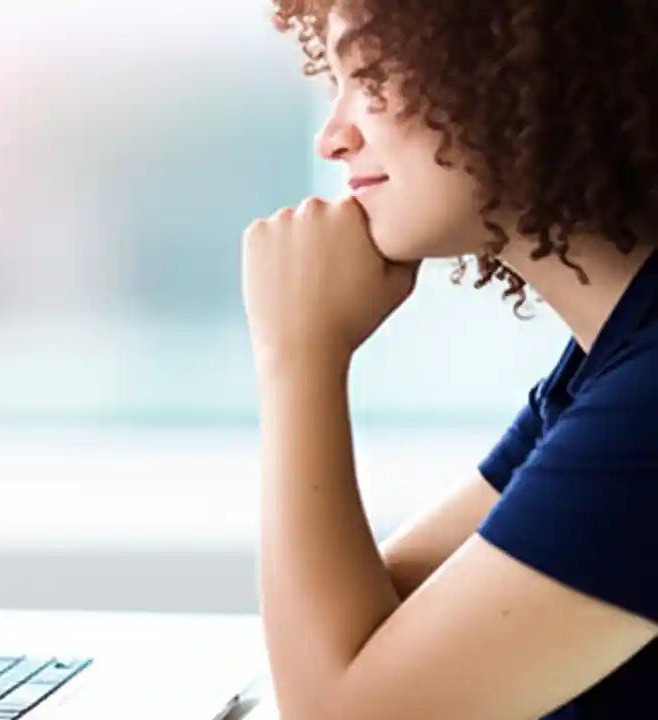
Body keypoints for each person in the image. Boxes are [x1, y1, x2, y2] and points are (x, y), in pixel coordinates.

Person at [243, 1, 658, 717]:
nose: (332, 139)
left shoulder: (648, 408)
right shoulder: (607, 367)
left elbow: (333, 710)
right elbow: (388, 619)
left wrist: (300, 355)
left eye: (369, 75)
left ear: (518, 77)